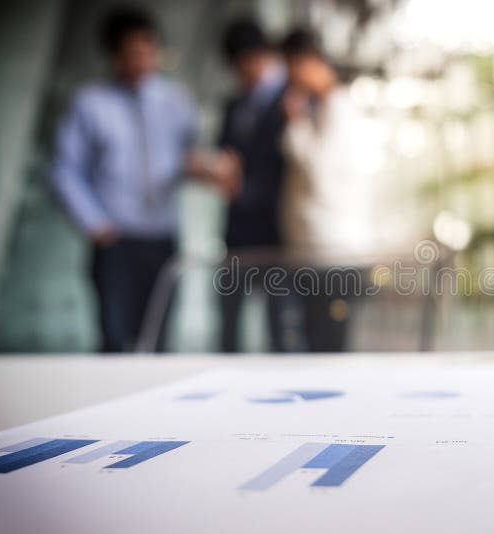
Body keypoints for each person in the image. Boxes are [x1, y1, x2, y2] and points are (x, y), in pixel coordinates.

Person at [51, 6, 238, 352]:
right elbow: (65, 170)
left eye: (148, 49)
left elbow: (192, 153)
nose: (142, 58)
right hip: (116, 237)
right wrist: (96, 222)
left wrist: (211, 170)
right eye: (132, 50)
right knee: (115, 336)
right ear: (114, 54)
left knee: (160, 338)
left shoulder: (175, 100)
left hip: (162, 236)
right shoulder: (91, 103)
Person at [278, 29, 378, 351]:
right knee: (319, 343)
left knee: (330, 348)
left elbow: (321, 175)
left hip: (333, 253)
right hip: (318, 252)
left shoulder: (340, 110)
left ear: (309, 63)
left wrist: (296, 124)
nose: (290, 79)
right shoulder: (324, 108)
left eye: (292, 68)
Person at [216, 18, 292, 352]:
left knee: (281, 325)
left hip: (277, 233)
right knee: (229, 327)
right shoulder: (233, 106)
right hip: (236, 233)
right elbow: (225, 154)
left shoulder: (290, 102)